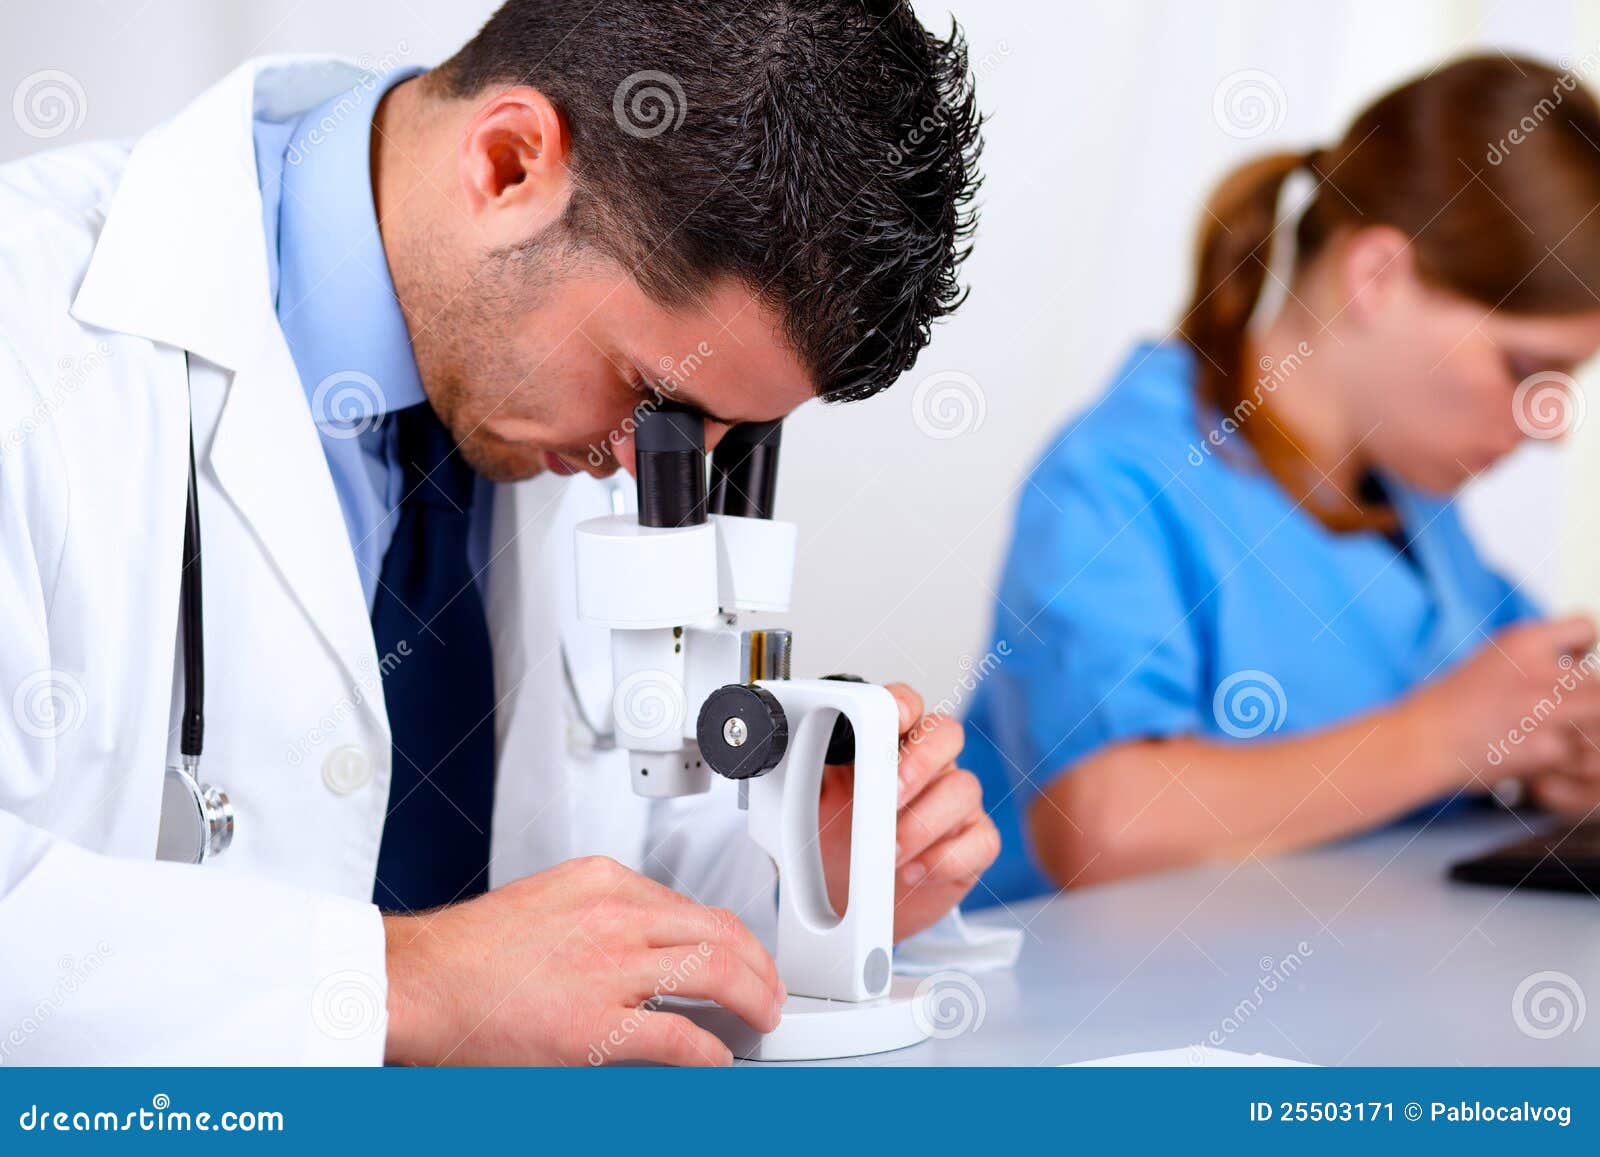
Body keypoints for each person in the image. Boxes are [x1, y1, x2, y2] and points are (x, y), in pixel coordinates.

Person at [0, 0, 999, 1065]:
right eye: (650, 396)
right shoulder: (34, 327)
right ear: (510, 164)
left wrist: (803, 872)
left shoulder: (561, 401)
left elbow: (599, 865)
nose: (648, 468)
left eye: (726, 434)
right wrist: (399, 983)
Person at [962, 55, 1600, 904]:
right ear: (1375, 277)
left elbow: (1507, 711)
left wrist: (1558, 755)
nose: (1544, 424)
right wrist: (1450, 736)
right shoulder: (1117, 477)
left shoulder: (1420, 509)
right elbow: (1103, 825)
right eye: (1525, 367)